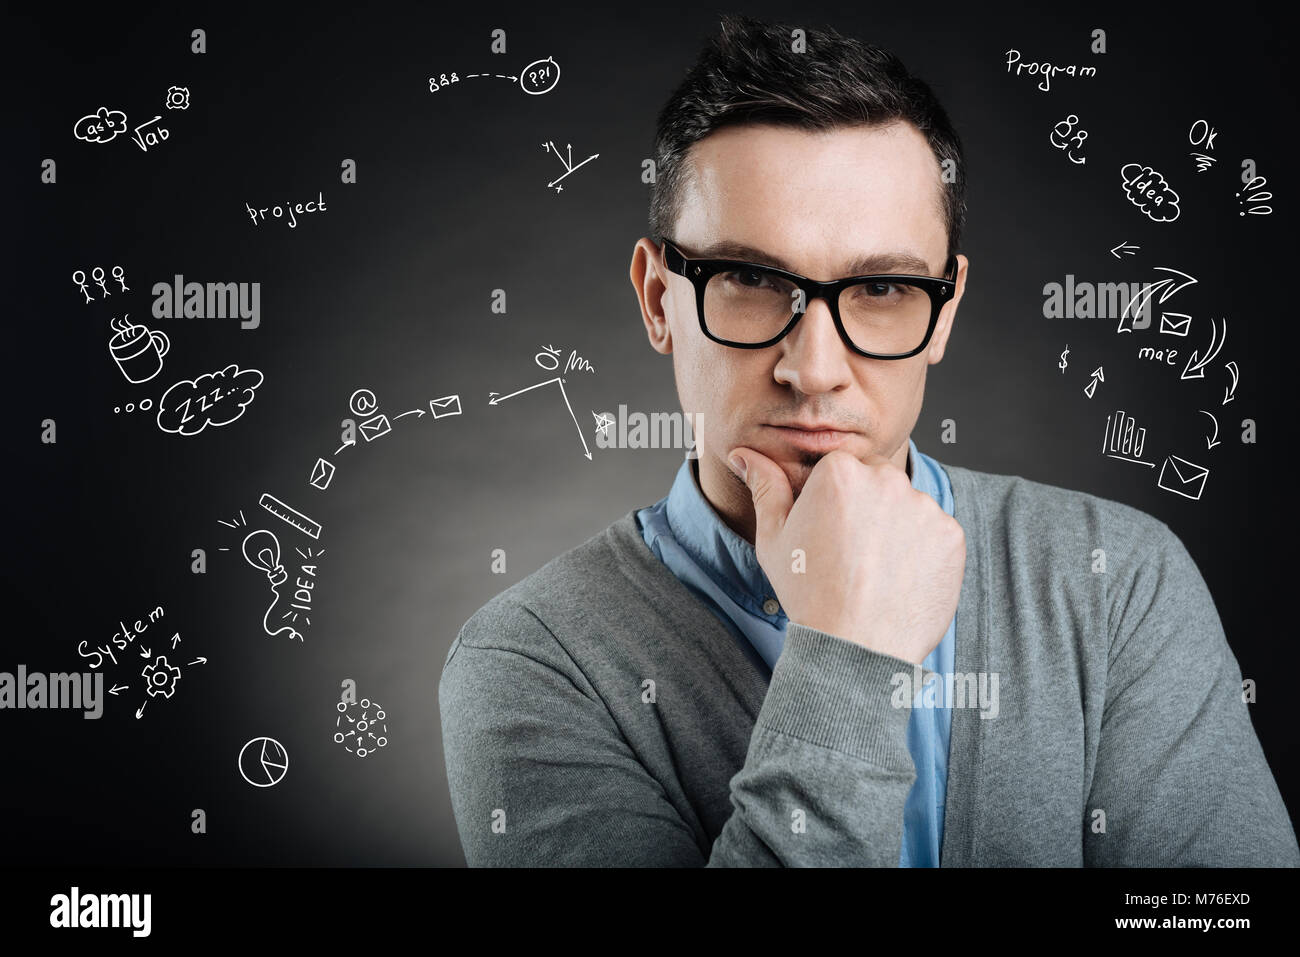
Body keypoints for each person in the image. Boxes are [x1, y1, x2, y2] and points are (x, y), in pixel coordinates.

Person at [438, 14, 1298, 866]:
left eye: (881, 286)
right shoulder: (529, 660)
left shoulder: (1119, 579)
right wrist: (851, 655)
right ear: (660, 300)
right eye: (747, 278)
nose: (814, 369)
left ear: (944, 312)